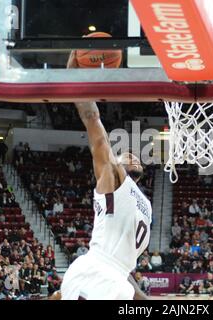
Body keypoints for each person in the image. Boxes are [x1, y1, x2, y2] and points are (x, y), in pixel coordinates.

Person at [61, 54, 152, 301]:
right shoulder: (114, 180)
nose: (131, 155)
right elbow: (92, 120)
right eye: (123, 154)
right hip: (99, 273)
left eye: (133, 156)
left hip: (114, 278)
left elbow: (123, 267)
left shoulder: (141, 201)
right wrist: (75, 78)